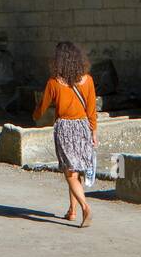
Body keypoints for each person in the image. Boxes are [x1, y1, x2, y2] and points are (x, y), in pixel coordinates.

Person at [33, 41, 98, 228]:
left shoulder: (53, 83)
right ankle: (72, 210)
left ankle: (85, 207)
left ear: (58, 61)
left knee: (69, 172)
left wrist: (35, 116)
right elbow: (92, 110)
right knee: (75, 170)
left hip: (65, 128)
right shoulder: (88, 80)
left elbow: (42, 106)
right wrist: (94, 132)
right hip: (84, 127)